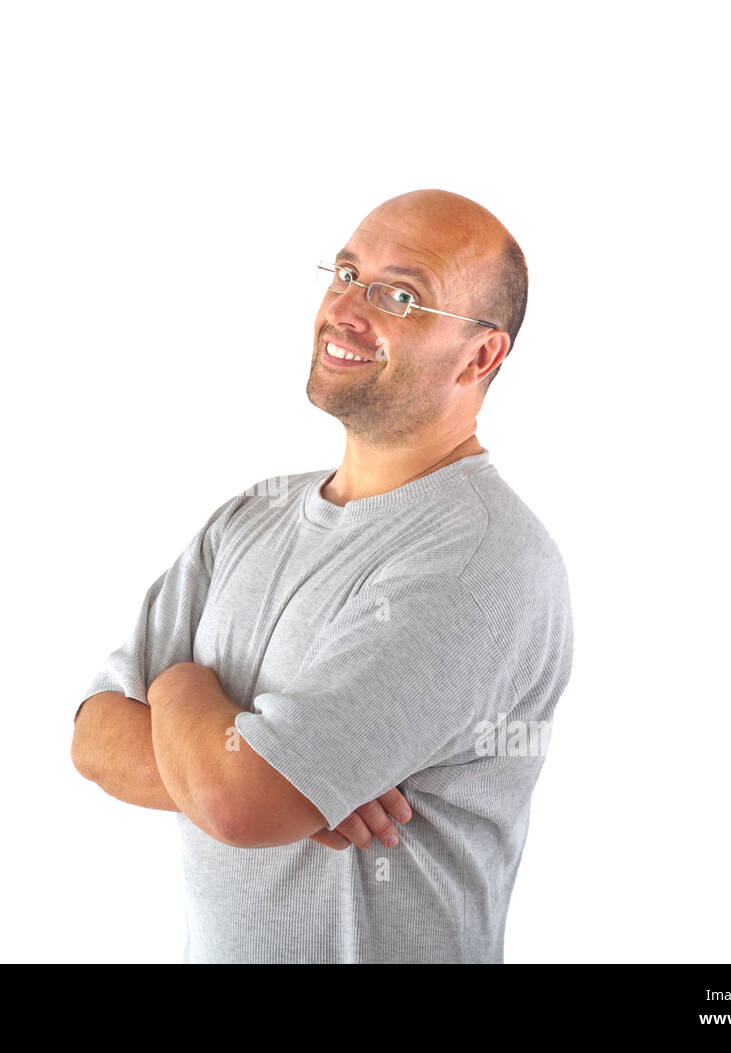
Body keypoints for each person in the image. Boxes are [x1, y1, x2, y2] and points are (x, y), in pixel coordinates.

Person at [70, 189, 574, 963]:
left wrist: (178, 688)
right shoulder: (249, 516)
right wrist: (260, 769)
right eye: (346, 272)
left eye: (401, 295)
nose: (346, 307)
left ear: (481, 356)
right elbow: (94, 739)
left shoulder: (482, 560)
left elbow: (240, 802)